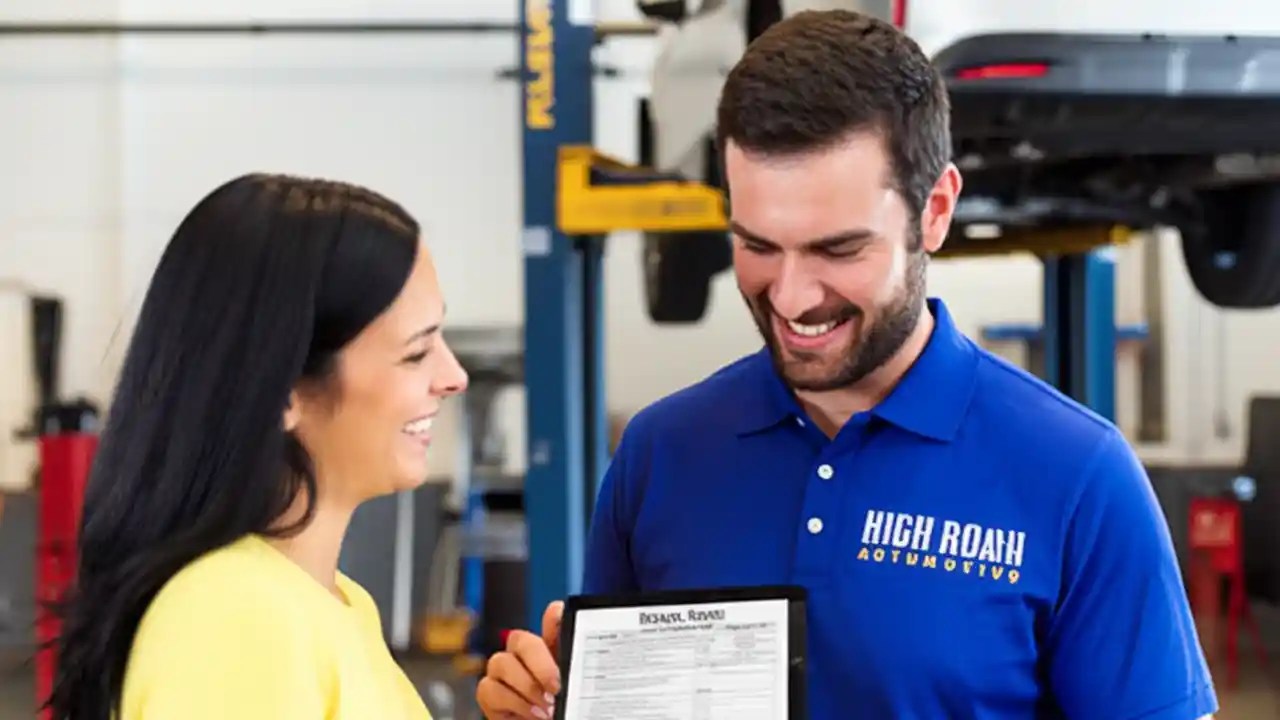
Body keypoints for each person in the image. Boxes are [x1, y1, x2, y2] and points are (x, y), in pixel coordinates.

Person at [477, 9, 1218, 720]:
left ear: (934, 212)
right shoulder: (661, 453)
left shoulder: (1075, 474)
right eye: (758, 245)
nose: (792, 297)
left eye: (839, 249)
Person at [44, 174, 468, 720]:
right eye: (416, 353)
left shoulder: (333, 602)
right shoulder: (237, 615)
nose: (453, 376)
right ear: (284, 390)